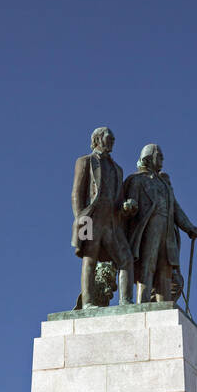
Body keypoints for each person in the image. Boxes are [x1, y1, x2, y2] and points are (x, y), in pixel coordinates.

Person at [122, 144, 197, 303]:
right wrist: (129, 206)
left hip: (167, 230)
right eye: (160, 156)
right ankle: (142, 303)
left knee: (166, 269)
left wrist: (189, 227)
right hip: (147, 227)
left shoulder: (164, 184)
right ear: (149, 157)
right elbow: (130, 206)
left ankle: (163, 306)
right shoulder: (136, 180)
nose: (163, 159)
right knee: (148, 265)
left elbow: (176, 209)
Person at [71, 126, 135, 308]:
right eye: (110, 137)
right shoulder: (85, 161)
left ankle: (126, 301)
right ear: (98, 139)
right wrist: (80, 219)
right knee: (89, 257)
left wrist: (125, 207)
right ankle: (88, 303)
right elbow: (77, 193)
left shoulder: (118, 169)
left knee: (125, 258)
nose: (113, 140)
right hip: (90, 218)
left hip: (112, 221)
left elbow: (119, 198)